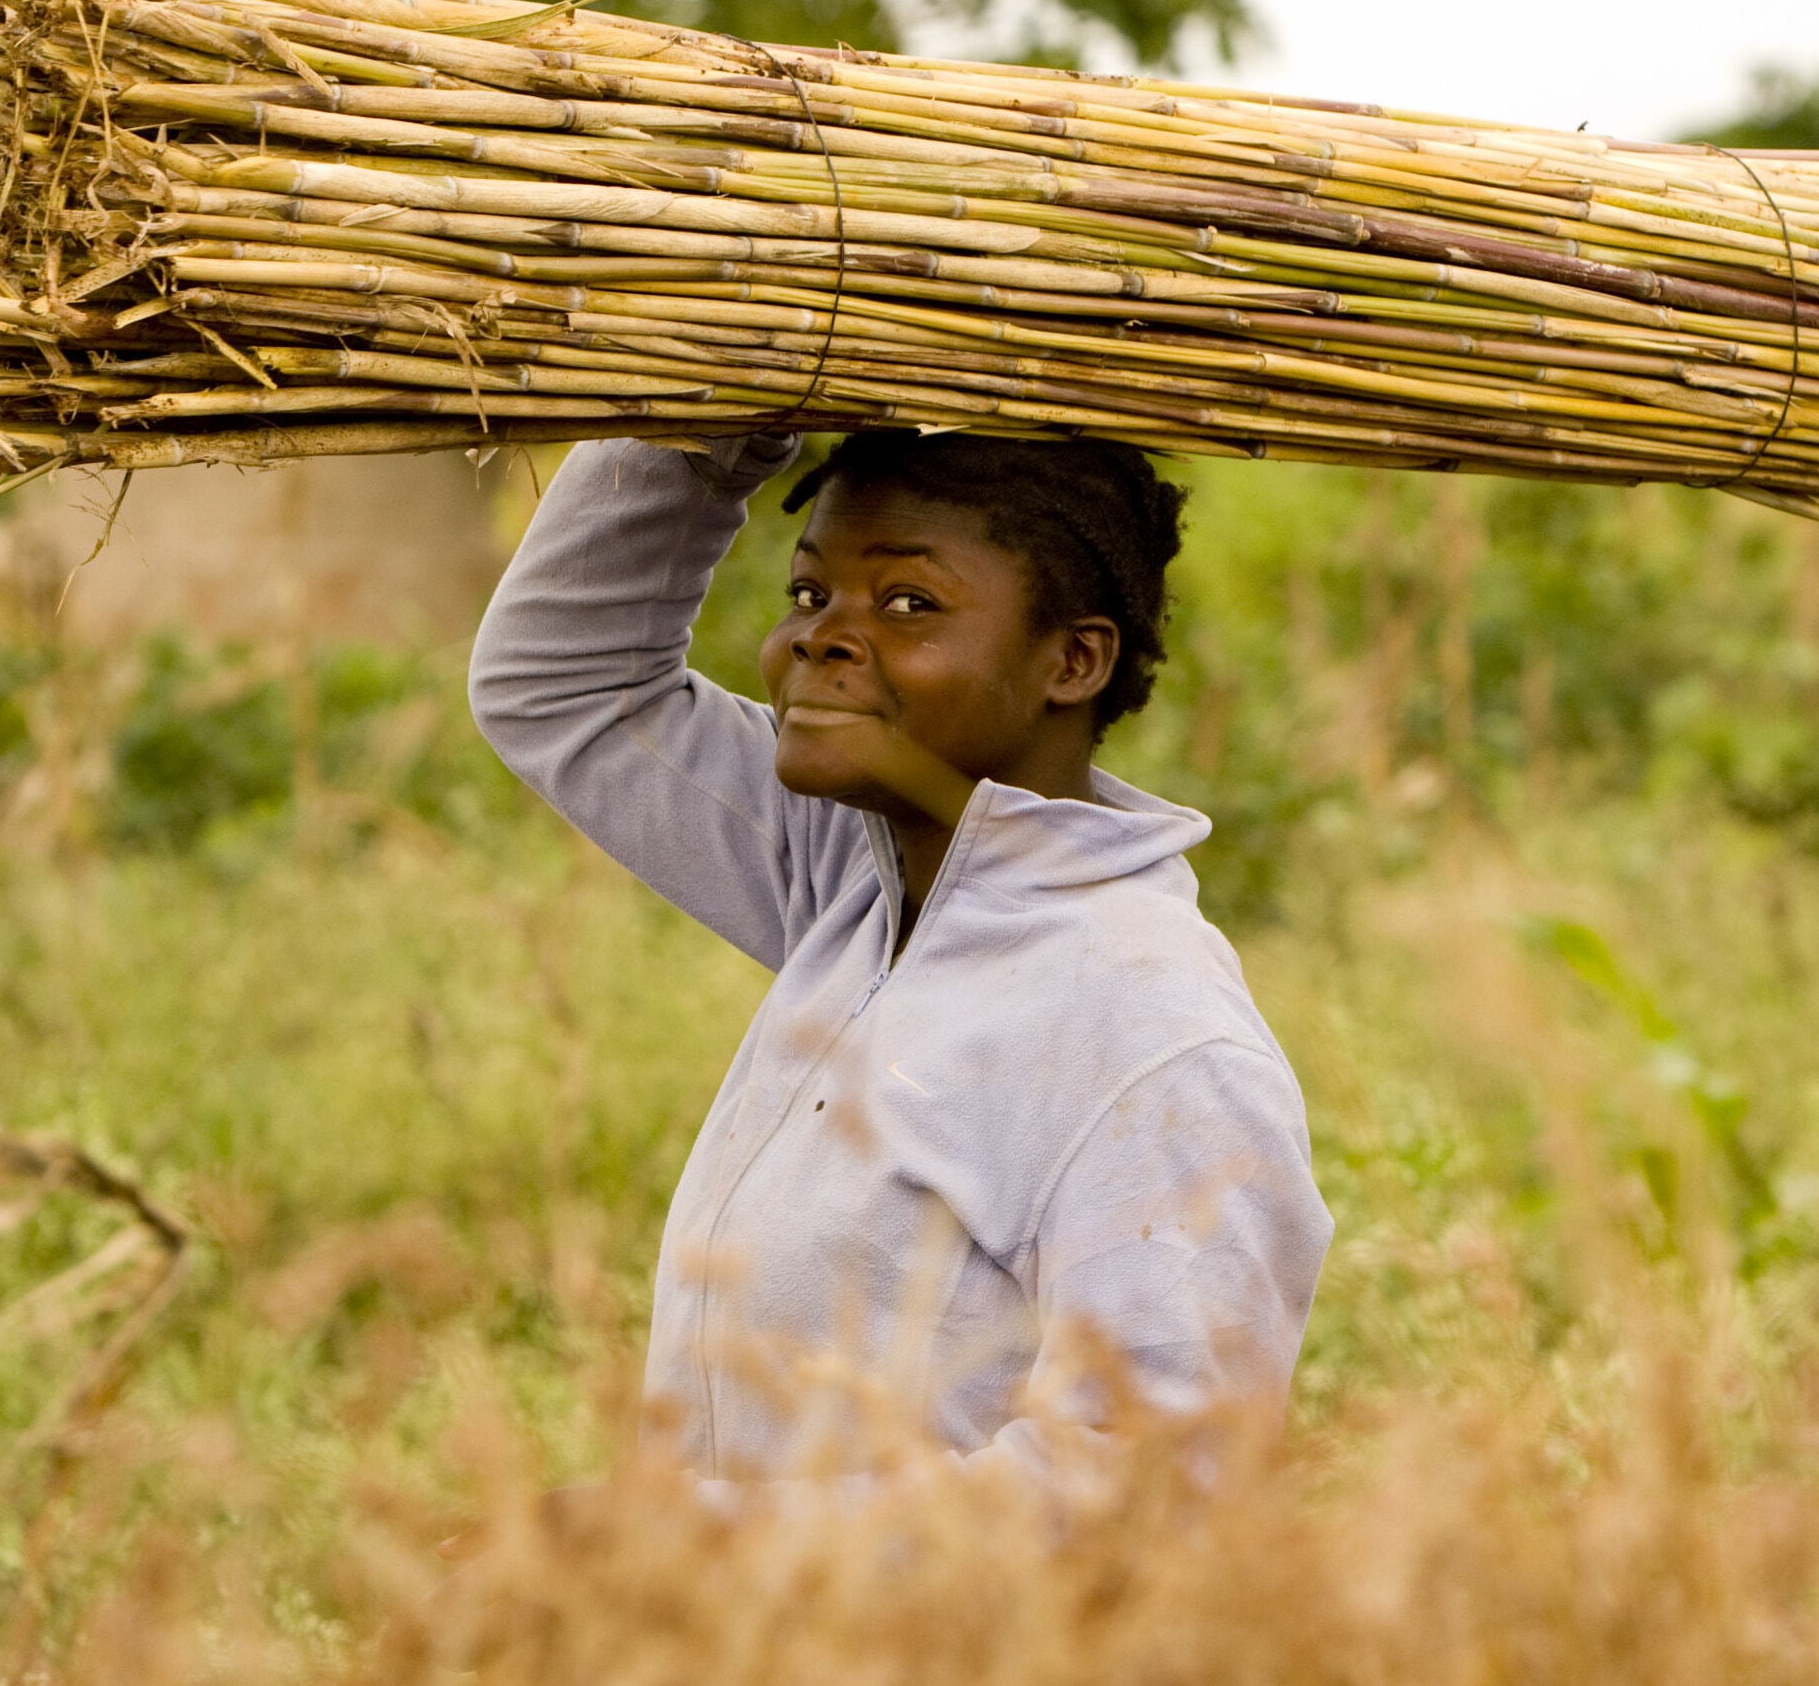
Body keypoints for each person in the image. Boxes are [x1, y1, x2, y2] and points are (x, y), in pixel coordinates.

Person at [470, 429, 1333, 1492]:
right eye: (808, 593)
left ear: (1074, 659)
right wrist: (719, 419)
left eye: (909, 604)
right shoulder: (859, 882)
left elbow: (1147, 1485)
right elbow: (563, 690)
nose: (819, 640)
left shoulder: (1152, 1031)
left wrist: (704, 1550)